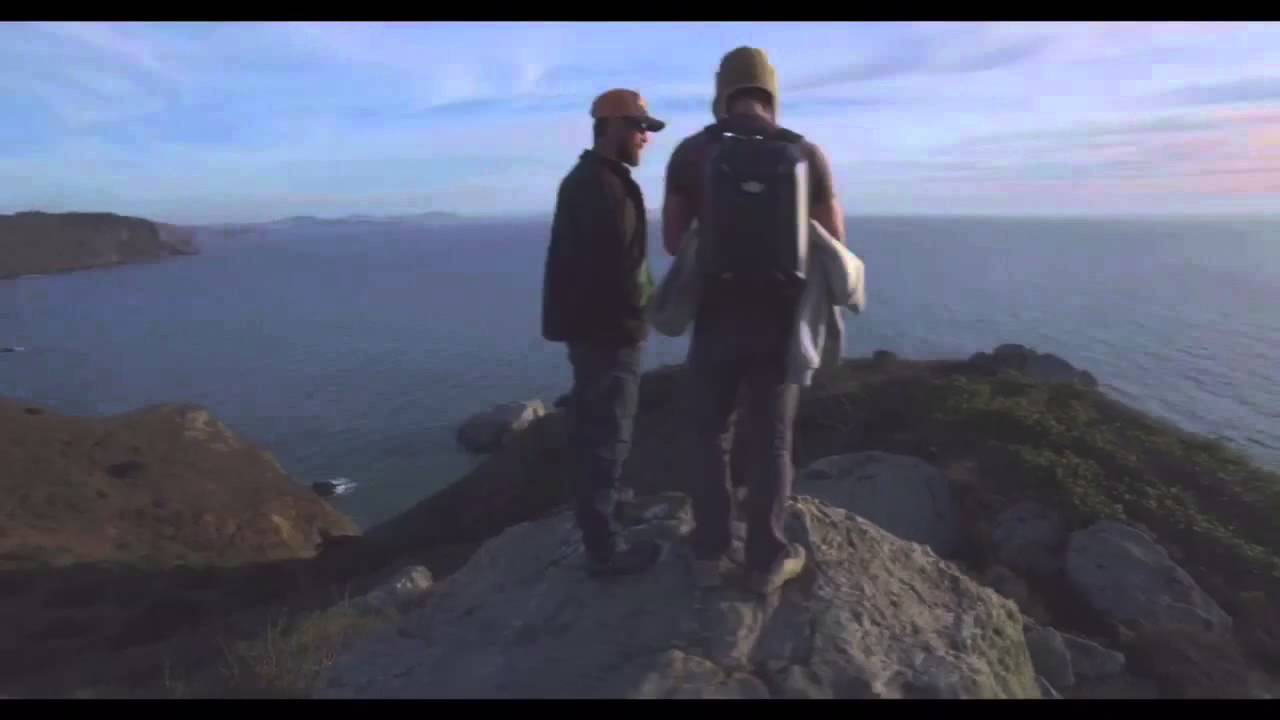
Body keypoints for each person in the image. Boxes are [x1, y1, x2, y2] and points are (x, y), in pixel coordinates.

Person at [662, 47, 846, 594]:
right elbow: (833, 240)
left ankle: (710, 543)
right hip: (780, 316)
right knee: (771, 439)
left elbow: (675, 242)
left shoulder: (692, 153)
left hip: (717, 313)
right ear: (771, 94)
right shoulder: (805, 152)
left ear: (722, 92)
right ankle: (766, 558)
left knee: (708, 432)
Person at [541, 89, 667, 577]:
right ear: (612, 126)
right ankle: (605, 548)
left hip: (594, 329)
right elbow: (623, 268)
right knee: (606, 432)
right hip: (609, 332)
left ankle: (607, 512)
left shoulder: (591, 180)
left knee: (600, 425)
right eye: (640, 127)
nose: (645, 138)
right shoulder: (602, 185)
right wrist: (654, 308)